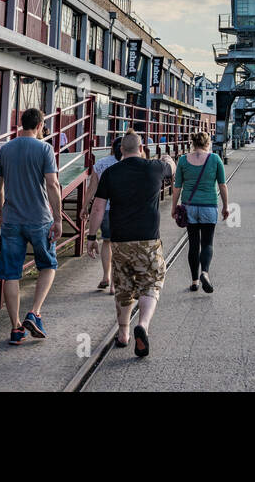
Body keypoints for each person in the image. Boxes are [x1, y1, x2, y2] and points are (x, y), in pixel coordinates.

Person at [87, 130, 174, 357]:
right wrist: (165, 159)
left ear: (121, 150)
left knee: (124, 287)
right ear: (142, 148)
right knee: (152, 283)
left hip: (120, 241)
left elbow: (97, 208)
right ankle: (143, 325)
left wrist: (91, 237)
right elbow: (172, 167)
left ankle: (123, 334)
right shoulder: (154, 168)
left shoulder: (111, 173)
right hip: (148, 240)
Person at [0, 107, 62, 345]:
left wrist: (2, 213)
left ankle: (15, 329)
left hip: (11, 220)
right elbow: (52, 185)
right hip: (39, 219)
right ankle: (35, 312)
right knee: (48, 264)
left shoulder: (5, 149)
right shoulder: (45, 149)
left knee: (10, 274)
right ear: (40, 125)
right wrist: (59, 219)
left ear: (21, 124)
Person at [171, 131, 229, 293]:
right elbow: (222, 185)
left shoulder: (183, 160)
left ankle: (195, 281)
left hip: (189, 207)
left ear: (193, 143)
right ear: (207, 143)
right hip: (209, 206)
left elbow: (177, 187)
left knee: (193, 244)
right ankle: (205, 272)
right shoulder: (215, 159)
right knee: (207, 243)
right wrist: (225, 206)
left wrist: (174, 207)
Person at [83, 136, 122, 292]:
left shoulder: (101, 164)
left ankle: (106, 276)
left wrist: (84, 207)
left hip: (104, 210)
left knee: (107, 242)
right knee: (119, 245)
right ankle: (114, 283)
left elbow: (91, 188)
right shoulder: (129, 163)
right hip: (124, 211)